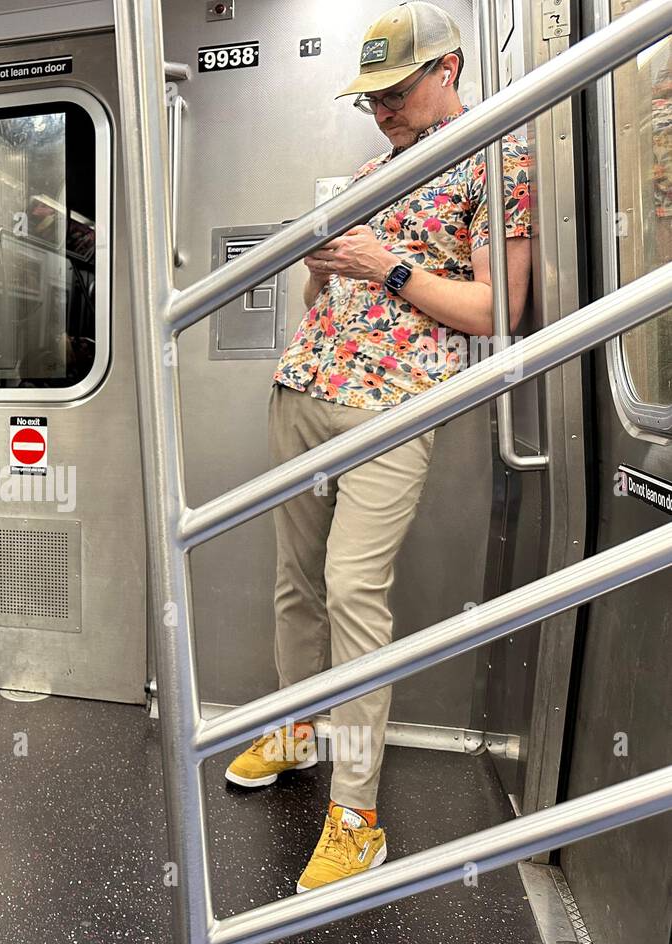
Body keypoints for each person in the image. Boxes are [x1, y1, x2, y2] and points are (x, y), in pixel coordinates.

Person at [223, 2, 533, 892]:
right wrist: (319, 273)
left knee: (356, 592)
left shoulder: (496, 159)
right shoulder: (371, 171)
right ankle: (298, 727)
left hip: (389, 409)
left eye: (396, 93)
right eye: (372, 100)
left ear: (451, 70)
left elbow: (498, 312)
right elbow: (326, 307)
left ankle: (355, 814)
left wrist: (387, 268)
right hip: (306, 389)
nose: (384, 112)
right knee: (297, 585)